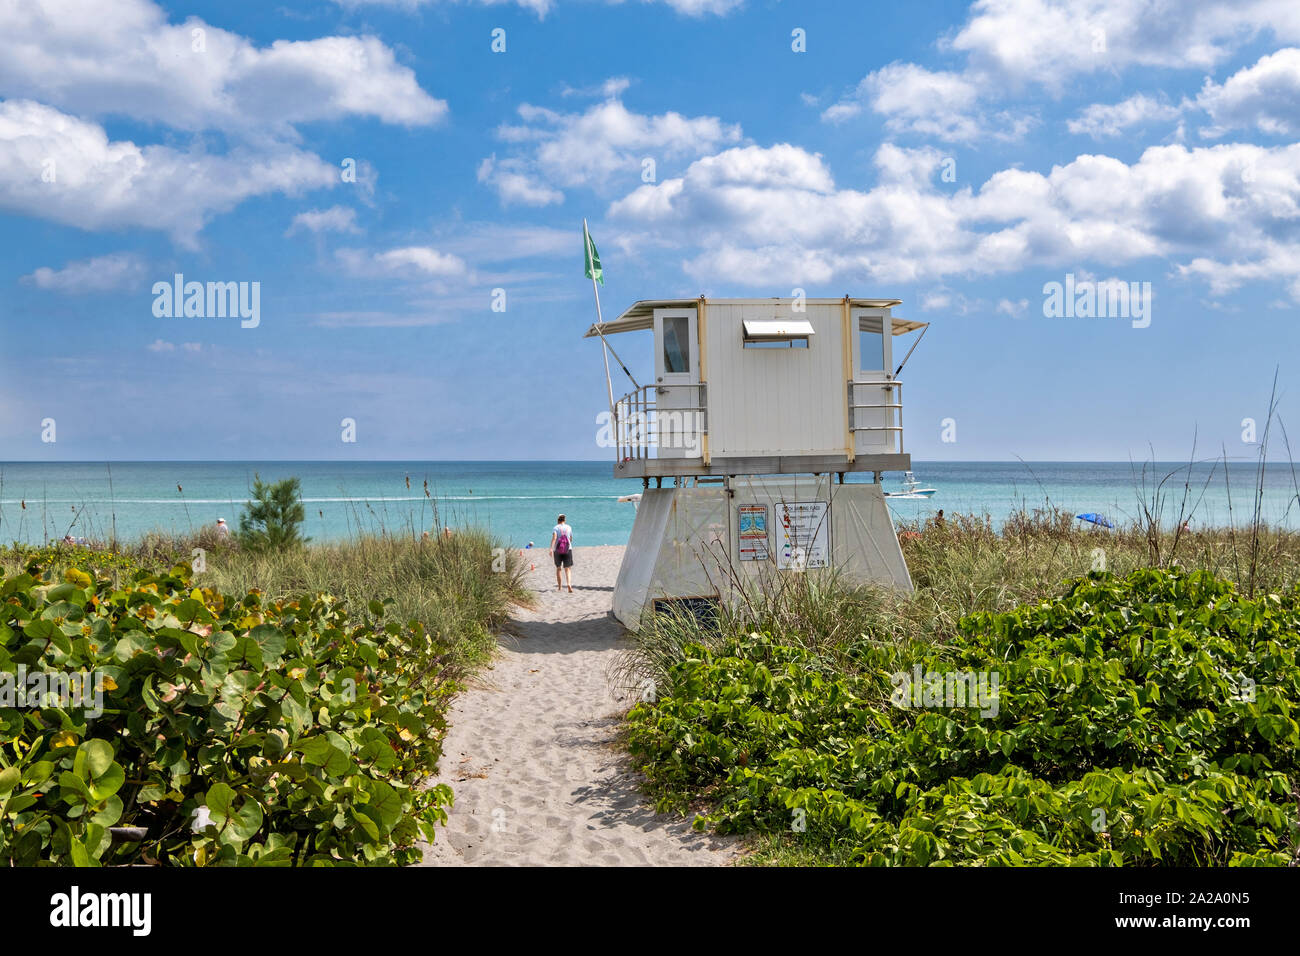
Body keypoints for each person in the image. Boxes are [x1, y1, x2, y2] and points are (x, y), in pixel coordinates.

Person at [550, 513, 574, 593]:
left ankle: (560, 587)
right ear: (565, 520)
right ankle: (569, 584)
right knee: (568, 569)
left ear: (558, 520)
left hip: (557, 550)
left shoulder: (555, 528)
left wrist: (551, 548)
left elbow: (554, 538)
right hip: (568, 549)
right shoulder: (569, 527)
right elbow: (570, 539)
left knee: (558, 568)